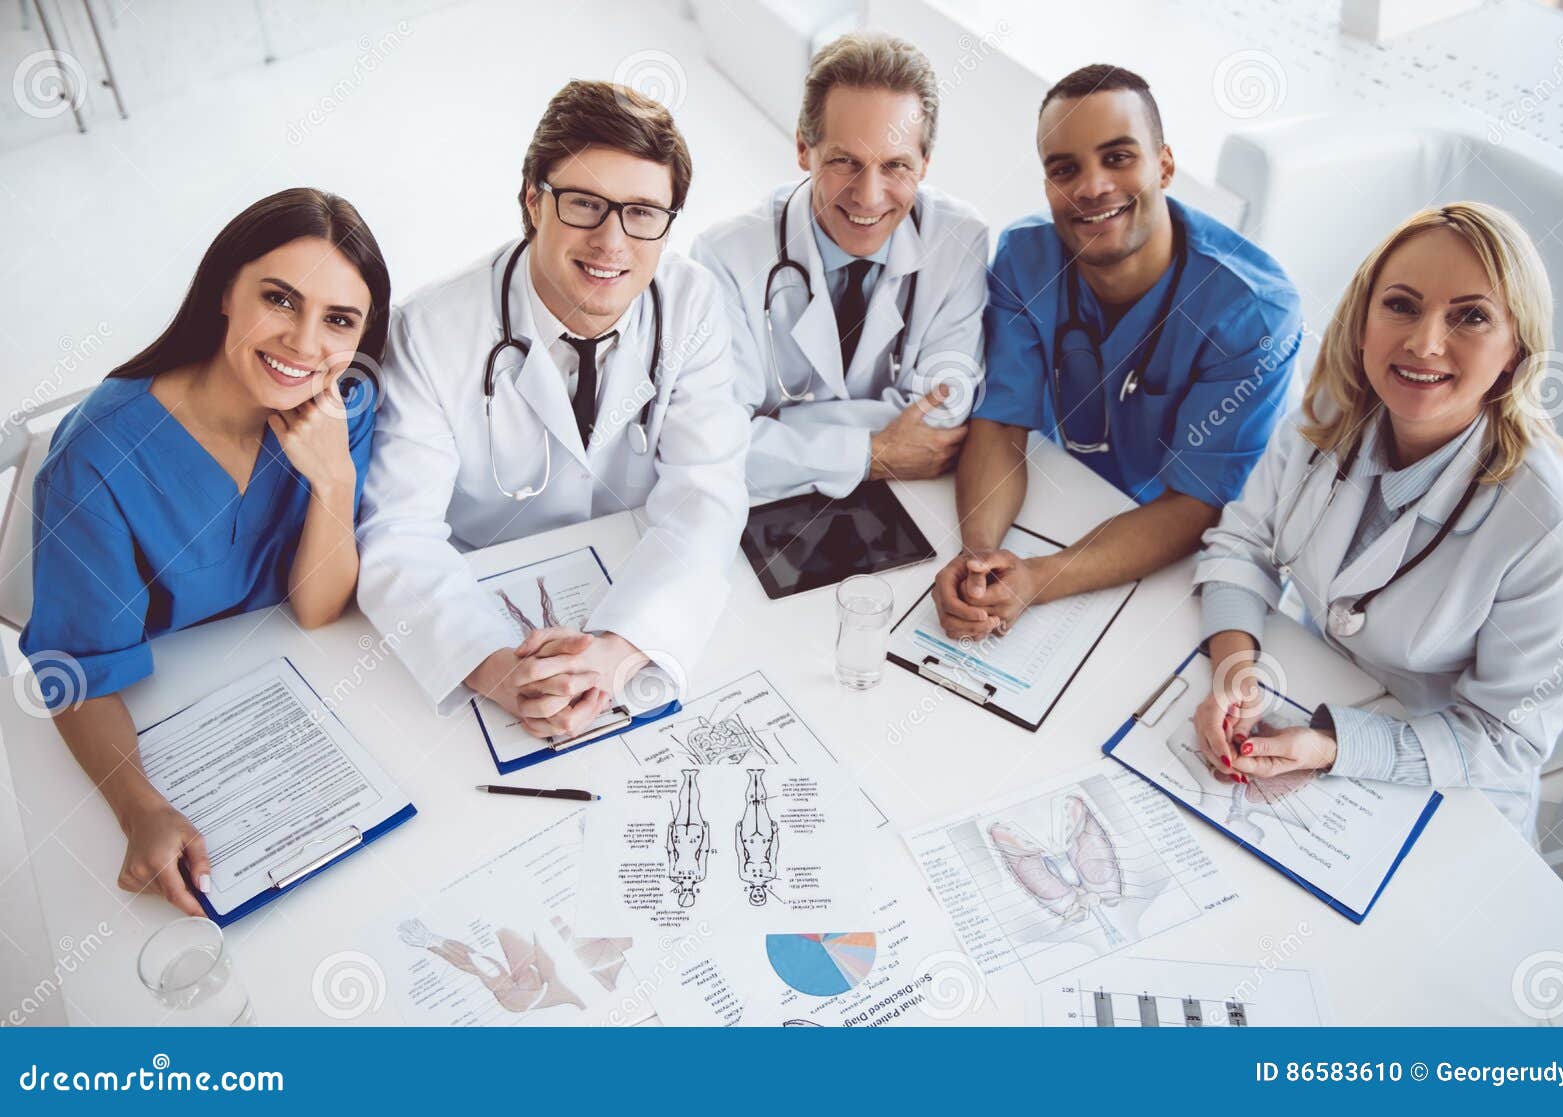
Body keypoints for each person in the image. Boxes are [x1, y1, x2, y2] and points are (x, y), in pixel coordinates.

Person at [20, 187, 390, 914]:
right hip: (164, 713)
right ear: (224, 291)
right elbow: (78, 670)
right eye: (279, 300)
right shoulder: (99, 456)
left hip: (299, 698)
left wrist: (333, 479)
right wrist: (139, 809)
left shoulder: (342, 405)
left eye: (339, 320)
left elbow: (319, 609)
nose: (304, 344)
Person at [1191, 201, 1563, 840]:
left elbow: (1506, 738)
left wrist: (1333, 746)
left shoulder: (1552, 520)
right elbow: (1243, 544)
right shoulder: (1330, 411)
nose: (1424, 343)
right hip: (1310, 701)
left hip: (1447, 791)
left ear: (1516, 350)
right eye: (1402, 305)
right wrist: (1236, 672)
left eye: (1471, 316)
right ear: (1363, 321)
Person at [355, 81, 749, 741]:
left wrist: (620, 650)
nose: (612, 241)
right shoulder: (431, 329)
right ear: (533, 200)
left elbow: (707, 492)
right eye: (585, 204)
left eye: (642, 212)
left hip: (631, 576)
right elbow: (398, 531)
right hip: (486, 592)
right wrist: (496, 667)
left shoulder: (690, 303)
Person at [932, 64, 1301, 638]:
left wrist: (1037, 579)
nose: (1092, 187)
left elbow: (1195, 504)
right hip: (1066, 493)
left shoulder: (1251, 312)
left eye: (1118, 157)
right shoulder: (1025, 258)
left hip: (1177, 552)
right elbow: (1001, 423)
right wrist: (980, 562)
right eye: (1064, 169)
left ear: (1165, 165)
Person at [692, 30, 988, 500]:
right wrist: (872, 452)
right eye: (845, 161)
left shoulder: (959, 241)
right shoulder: (726, 257)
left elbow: (943, 417)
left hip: (909, 499)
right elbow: (712, 443)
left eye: (896, 166)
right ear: (803, 150)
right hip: (769, 509)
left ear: (925, 164)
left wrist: (775, 430)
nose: (868, 197)